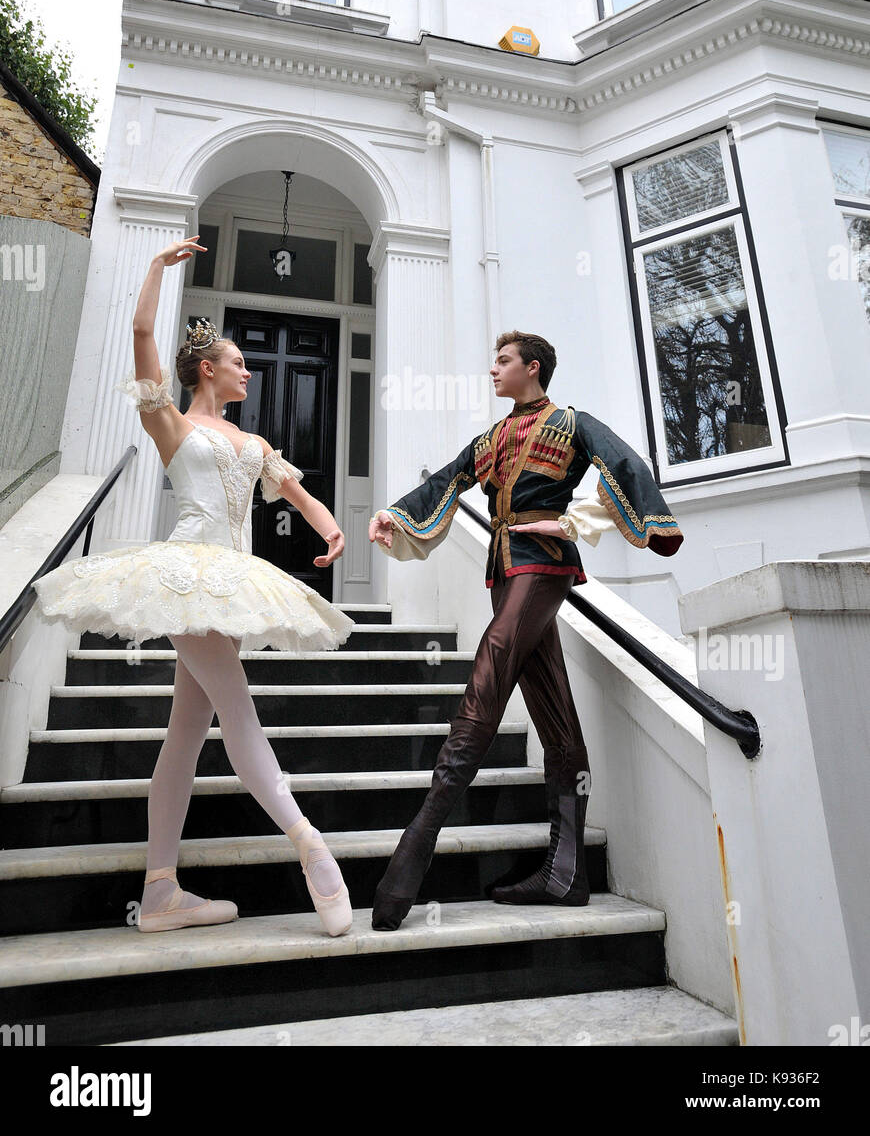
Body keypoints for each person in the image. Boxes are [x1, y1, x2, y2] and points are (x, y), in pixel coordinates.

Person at [32, 235, 355, 937]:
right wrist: (152, 270)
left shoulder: (256, 445)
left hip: (235, 583)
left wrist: (330, 529)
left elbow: (300, 498)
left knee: (185, 735)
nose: (249, 373)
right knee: (238, 712)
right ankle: (309, 844)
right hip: (185, 575)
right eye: (239, 364)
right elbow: (145, 333)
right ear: (207, 370)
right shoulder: (172, 424)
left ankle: (159, 893)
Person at [367, 330, 684, 931]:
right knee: (554, 711)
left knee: (490, 669)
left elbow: (625, 465)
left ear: (532, 368)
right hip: (506, 570)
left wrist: (576, 521)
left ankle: (420, 839)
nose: (493, 370)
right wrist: (393, 514)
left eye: (504, 361)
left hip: (542, 566)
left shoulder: (572, 421)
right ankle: (565, 873)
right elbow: (448, 482)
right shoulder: (491, 438)